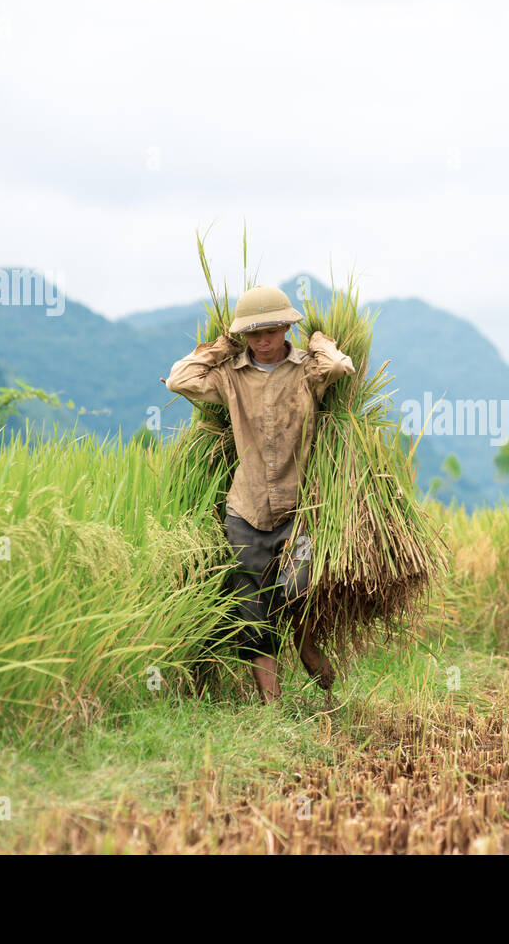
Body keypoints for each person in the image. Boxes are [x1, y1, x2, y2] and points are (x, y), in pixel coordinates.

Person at [165, 285, 355, 703]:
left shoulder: (308, 369)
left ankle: (305, 644)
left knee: (296, 590)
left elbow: (342, 366)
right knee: (252, 614)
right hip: (245, 510)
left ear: (287, 327)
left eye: (271, 331)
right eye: (253, 334)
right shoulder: (228, 375)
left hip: (300, 508)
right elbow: (179, 379)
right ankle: (271, 706)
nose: (263, 341)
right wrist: (221, 346)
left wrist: (320, 341)